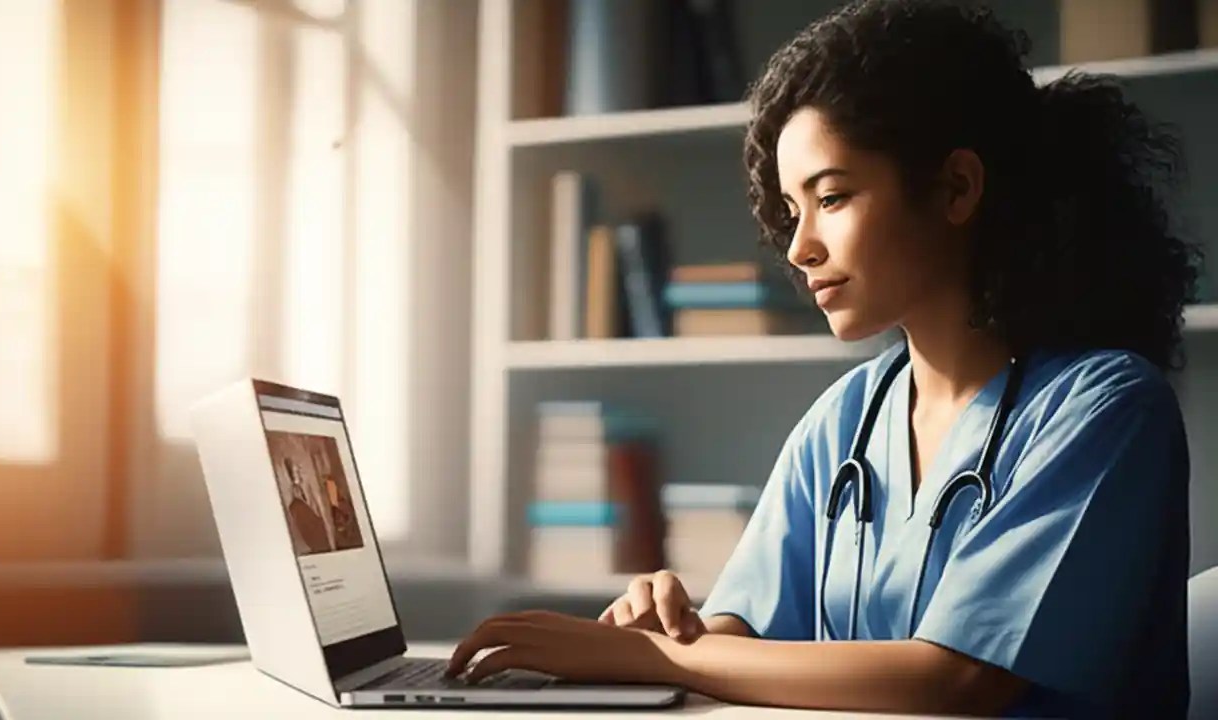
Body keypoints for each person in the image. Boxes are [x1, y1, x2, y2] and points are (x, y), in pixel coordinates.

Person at [445, 1, 1200, 716]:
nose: (801, 248)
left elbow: (958, 680)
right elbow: (741, 638)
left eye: (832, 198)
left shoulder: (1103, 407)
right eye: (790, 211)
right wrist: (664, 629)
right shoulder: (845, 419)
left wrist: (661, 663)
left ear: (957, 186)